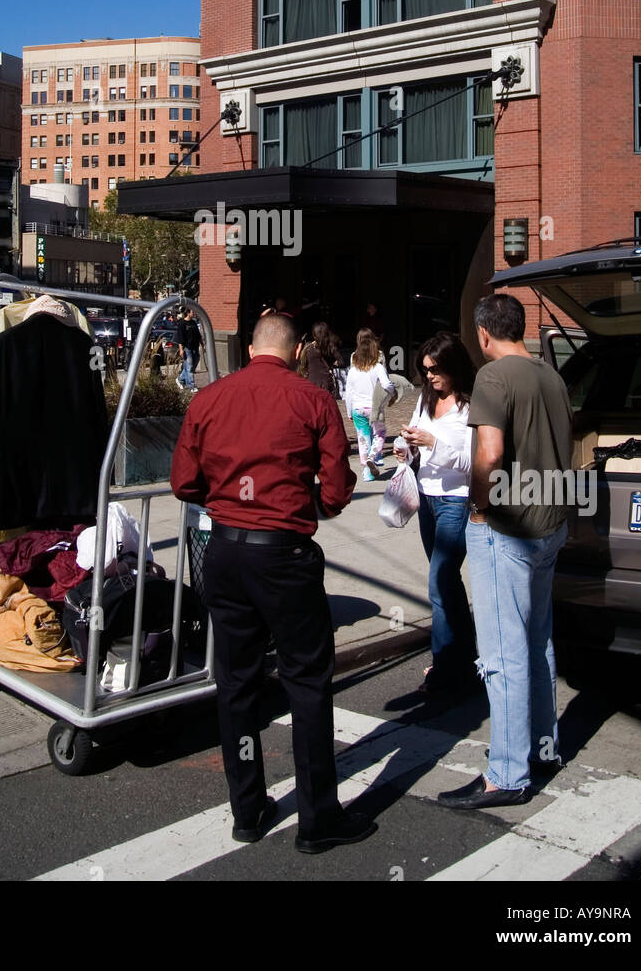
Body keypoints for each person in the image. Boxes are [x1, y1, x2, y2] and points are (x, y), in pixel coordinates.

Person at [170, 313, 376, 855]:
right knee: (306, 682)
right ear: (294, 349)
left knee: (236, 684)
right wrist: (298, 501)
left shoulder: (209, 398)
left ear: (252, 348)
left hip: (225, 552)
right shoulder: (311, 399)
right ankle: (317, 817)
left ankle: (249, 809)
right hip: (283, 554)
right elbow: (335, 491)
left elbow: (182, 482)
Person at [438, 293, 573, 811]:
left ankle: (508, 774)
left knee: (501, 655)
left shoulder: (493, 378)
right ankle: (542, 749)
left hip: (507, 530)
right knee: (538, 641)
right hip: (549, 526)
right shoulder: (551, 376)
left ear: (484, 334)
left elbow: (489, 454)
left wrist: (477, 507)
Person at [396, 331, 476, 695]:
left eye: (435, 369)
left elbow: (475, 463)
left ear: (454, 366)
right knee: (448, 584)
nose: (429, 376)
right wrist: (406, 447)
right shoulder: (427, 400)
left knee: (439, 582)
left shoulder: (471, 406)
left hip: (456, 501)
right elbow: (412, 440)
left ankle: (445, 668)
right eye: (425, 369)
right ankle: (466, 657)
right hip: (426, 498)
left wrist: (434, 444)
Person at [345, 328, 394, 482]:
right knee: (379, 434)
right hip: (373, 407)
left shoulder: (353, 370)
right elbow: (387, 384)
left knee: (362, 439)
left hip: (357, 408)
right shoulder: (378, 367)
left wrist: (348, 412)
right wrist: (392, 393)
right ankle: (373, 457)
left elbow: (348, 392)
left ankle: (367, 472)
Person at [297, 321, 342, 396]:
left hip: (311, 383)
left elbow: (302, 364)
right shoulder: (330, 347)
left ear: (314, 335)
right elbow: (341, 362)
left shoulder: (308, 348)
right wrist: (332, 363)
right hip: (327, 383)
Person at [176, 306, 202, 391]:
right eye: (192, 312)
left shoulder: (193, 323)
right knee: (189, 366)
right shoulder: (182, 324)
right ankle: (191, 386)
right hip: (187, 348)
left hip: (195, 347)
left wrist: (202, 344)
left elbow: (198, 335)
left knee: (193, 364)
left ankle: (180, 379)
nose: (194, 313)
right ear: (188, 313)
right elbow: (180, 337)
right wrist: (181, 349)